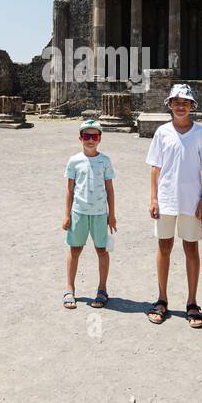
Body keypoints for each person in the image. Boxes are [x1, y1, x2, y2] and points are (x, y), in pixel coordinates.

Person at [145, 84, 202, 327]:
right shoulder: (162, 132)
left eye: (185, 102)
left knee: (191, 249)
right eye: (176, 101)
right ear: (170, 105)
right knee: (164, 247)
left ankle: (192, 302)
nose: (180, 105)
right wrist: (153, 198)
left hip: (192, 200)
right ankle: (162, 298)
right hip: (166, 199)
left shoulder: (200, 133)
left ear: (192, 106)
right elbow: (156, 167)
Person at [62, 120, 116, 309]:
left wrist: (112, 214)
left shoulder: (105, 161)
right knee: (75, 250)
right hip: (79, 212)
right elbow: (69, 189)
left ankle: (102, 289)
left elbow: (110, 189)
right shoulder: (74, 161)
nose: (90, 140)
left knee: (102, 250)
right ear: (80, 138)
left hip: (100, 213)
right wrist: (67, 215)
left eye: (94, 136)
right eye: (87, 136)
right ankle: (70, 288)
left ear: (99, 139)